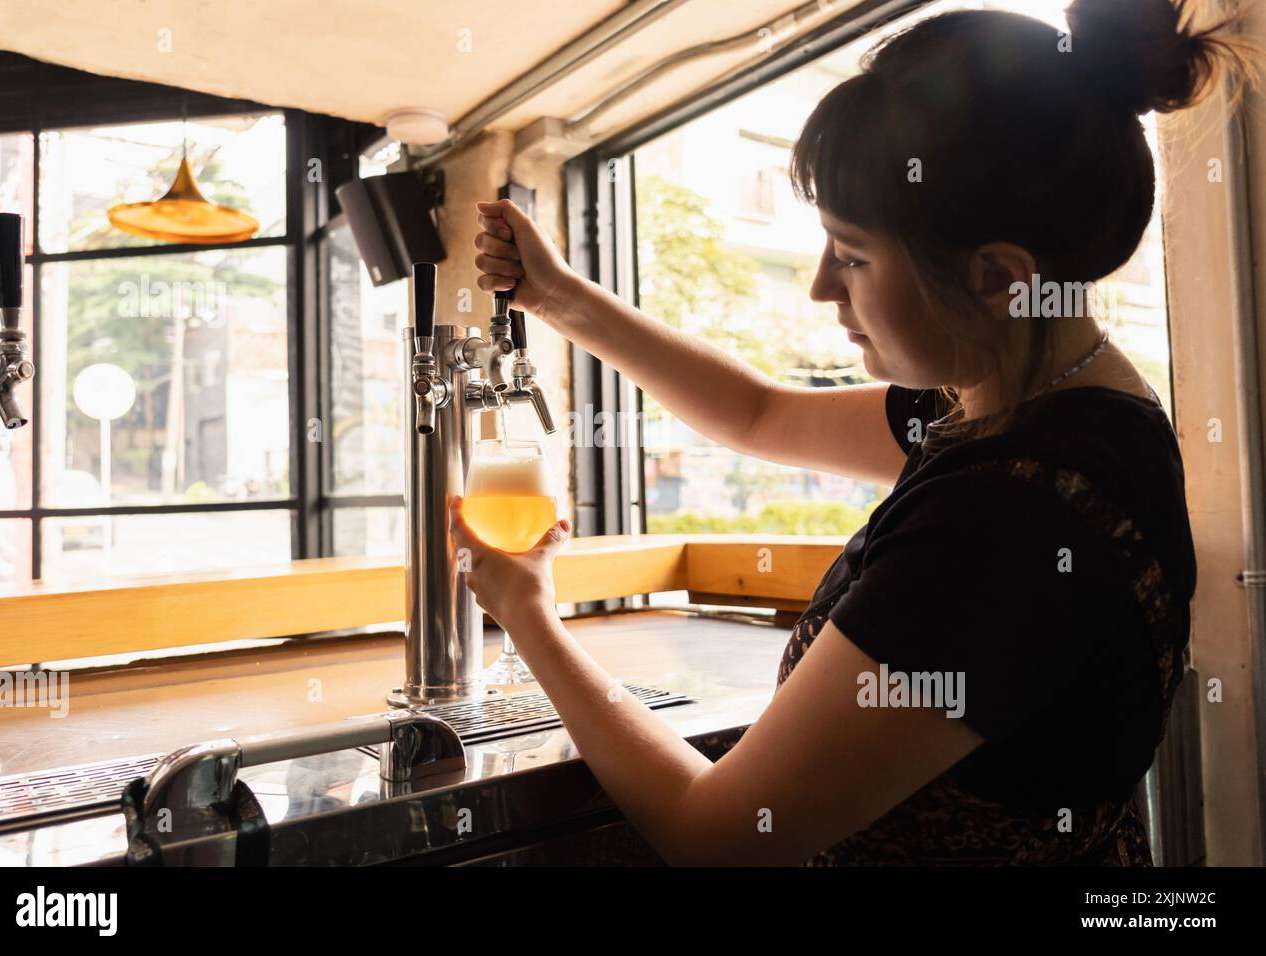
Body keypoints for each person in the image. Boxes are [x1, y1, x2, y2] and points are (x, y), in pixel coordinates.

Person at [451, 0, 1257, 865]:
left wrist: (528, 612)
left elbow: (719, 836)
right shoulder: (1045, 406)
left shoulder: (1006, 521)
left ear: (997, 277)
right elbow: (762, 413)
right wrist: (559, 295)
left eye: (854, 255)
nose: (821, 289)